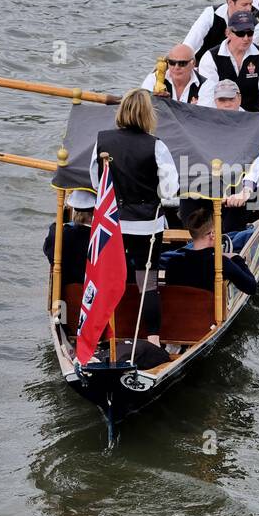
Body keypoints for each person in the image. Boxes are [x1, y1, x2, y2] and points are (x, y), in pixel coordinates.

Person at [90, 89, 179, 345]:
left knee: (107, 280)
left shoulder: (102, 141)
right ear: (147, 115)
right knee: (147, 283)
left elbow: (97, 181)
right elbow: (169, 190)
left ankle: (101, 338)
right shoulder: (156, 145)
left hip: (112, 223)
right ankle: (152, 340)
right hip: (147, 225)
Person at [206, 78, 259, 234]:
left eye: (231, 99)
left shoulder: (253, 125)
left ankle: (228, 243)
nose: (227, 104)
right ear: (215, 101)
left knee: (230, 225)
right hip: (216, 183)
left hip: (244, 185)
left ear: (239, 98)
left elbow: (257, 163)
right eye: (222, 99)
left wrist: (245, 192)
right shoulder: (207, 124)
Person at [196, 8, 259, 116]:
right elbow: (207, 96)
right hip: (220, 116)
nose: (246, 38)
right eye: (241, 33)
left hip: (253, 118)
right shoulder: (210, 58)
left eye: (250, 33)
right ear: (228, 32)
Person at [160, 202, 257, 296]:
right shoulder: (221, 263)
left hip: (177, 311)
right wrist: (236, 258)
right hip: (208, 312)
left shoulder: (173, 263)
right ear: (212, 235)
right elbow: (252, 287)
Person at [183, 0, 259, 64]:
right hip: (199, 62)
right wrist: (183, 59)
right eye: (244, 5)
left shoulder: (255, 24)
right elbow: (192, 40)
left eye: (250, 4)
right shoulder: (211, 13)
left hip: (232, 67)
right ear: (230, 2)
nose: (249, 8)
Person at [42, 189, 95, 286]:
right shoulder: (103, 236)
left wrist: (56, 226)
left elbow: (48, 249)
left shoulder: (65, 234)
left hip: (69, 292)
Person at [140, 43, 215, 104]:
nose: (176, 67)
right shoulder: (153, 79)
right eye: (172, 63)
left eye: (182, 63)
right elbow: (142, 106)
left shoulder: (207, 86)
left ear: (193, 63)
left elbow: (203, 117)